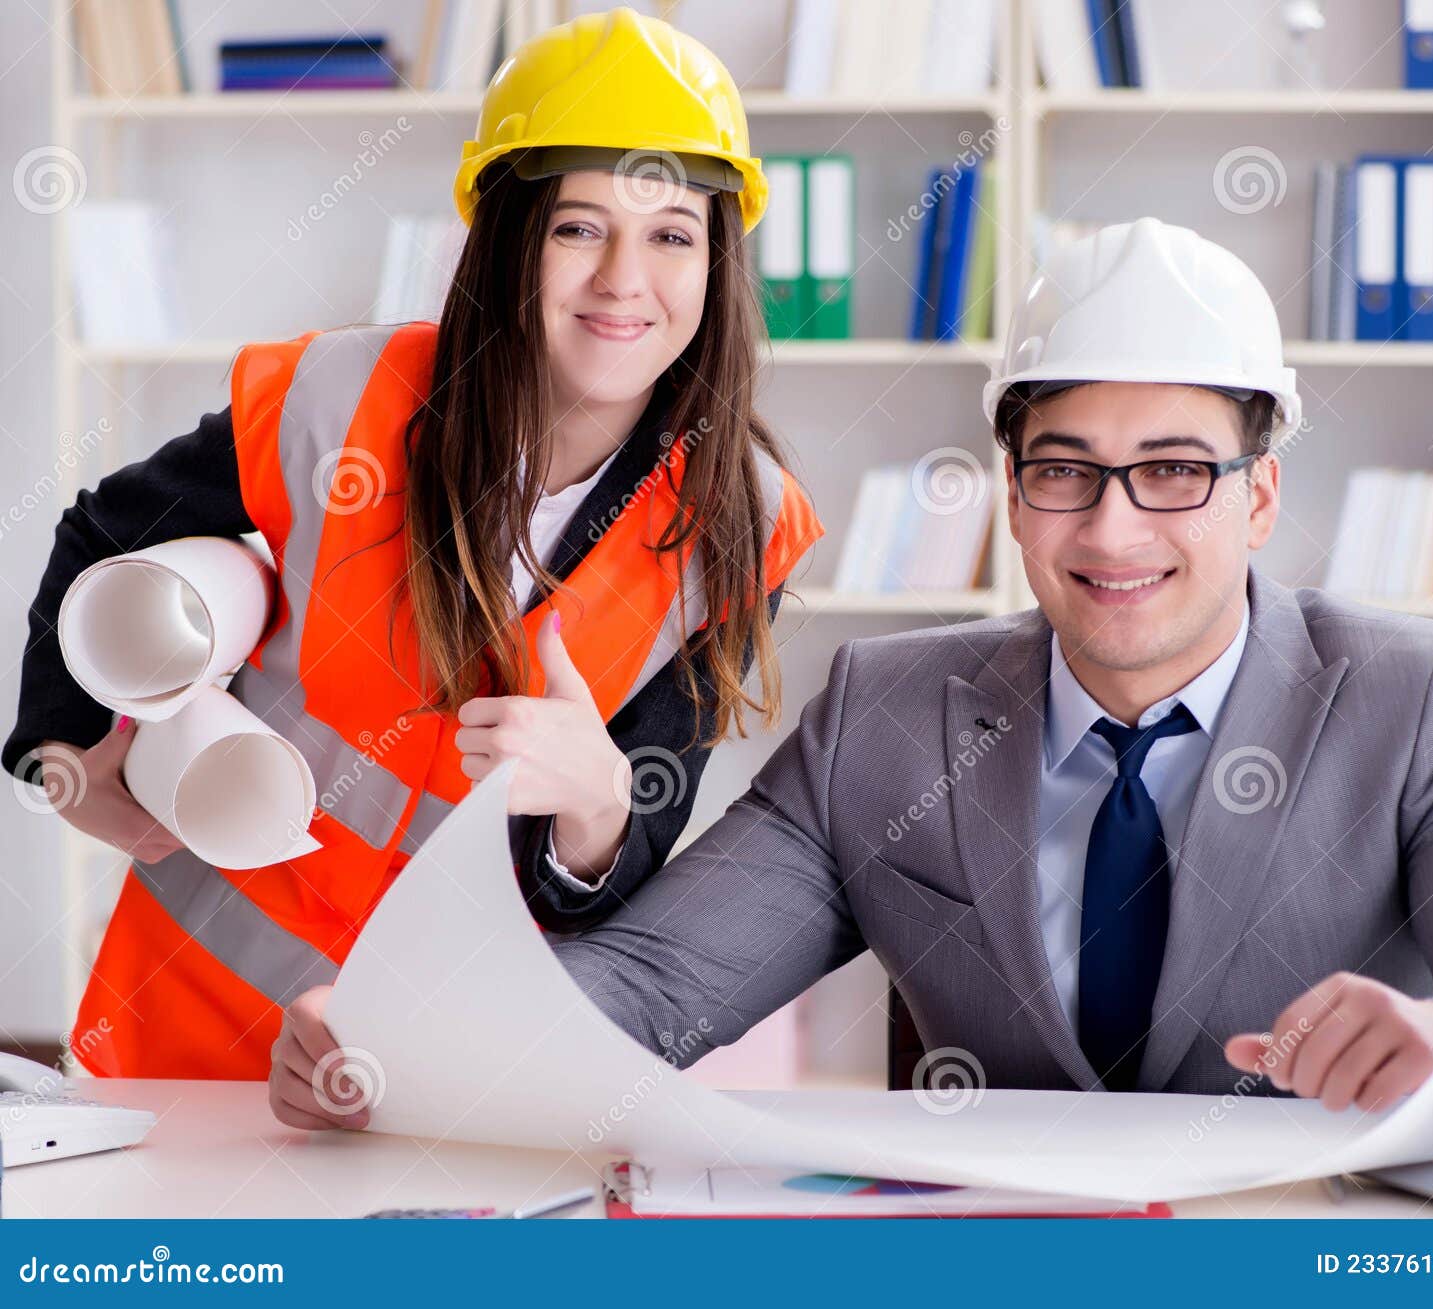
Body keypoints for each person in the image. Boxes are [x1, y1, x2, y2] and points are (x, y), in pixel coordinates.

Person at [272, 216, 1433, 1129]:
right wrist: (404, 1034)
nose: (1113, 528)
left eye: (1175, 471)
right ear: (1013, 493)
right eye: (1065, 470)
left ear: (1261, 495)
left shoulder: (1431, 700)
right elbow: (655, 988)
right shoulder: (886, 715)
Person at [3, 7, 822, 1081]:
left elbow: (617, 877)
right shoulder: (343, 396)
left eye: (672, 234)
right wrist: (57, 746)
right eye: (579, 228)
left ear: (718, 260)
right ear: (507, 241)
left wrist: (597, 804)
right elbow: (105, 529)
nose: (625, 279)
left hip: (442, 1062)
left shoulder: (738, 522)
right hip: (186, 1028)